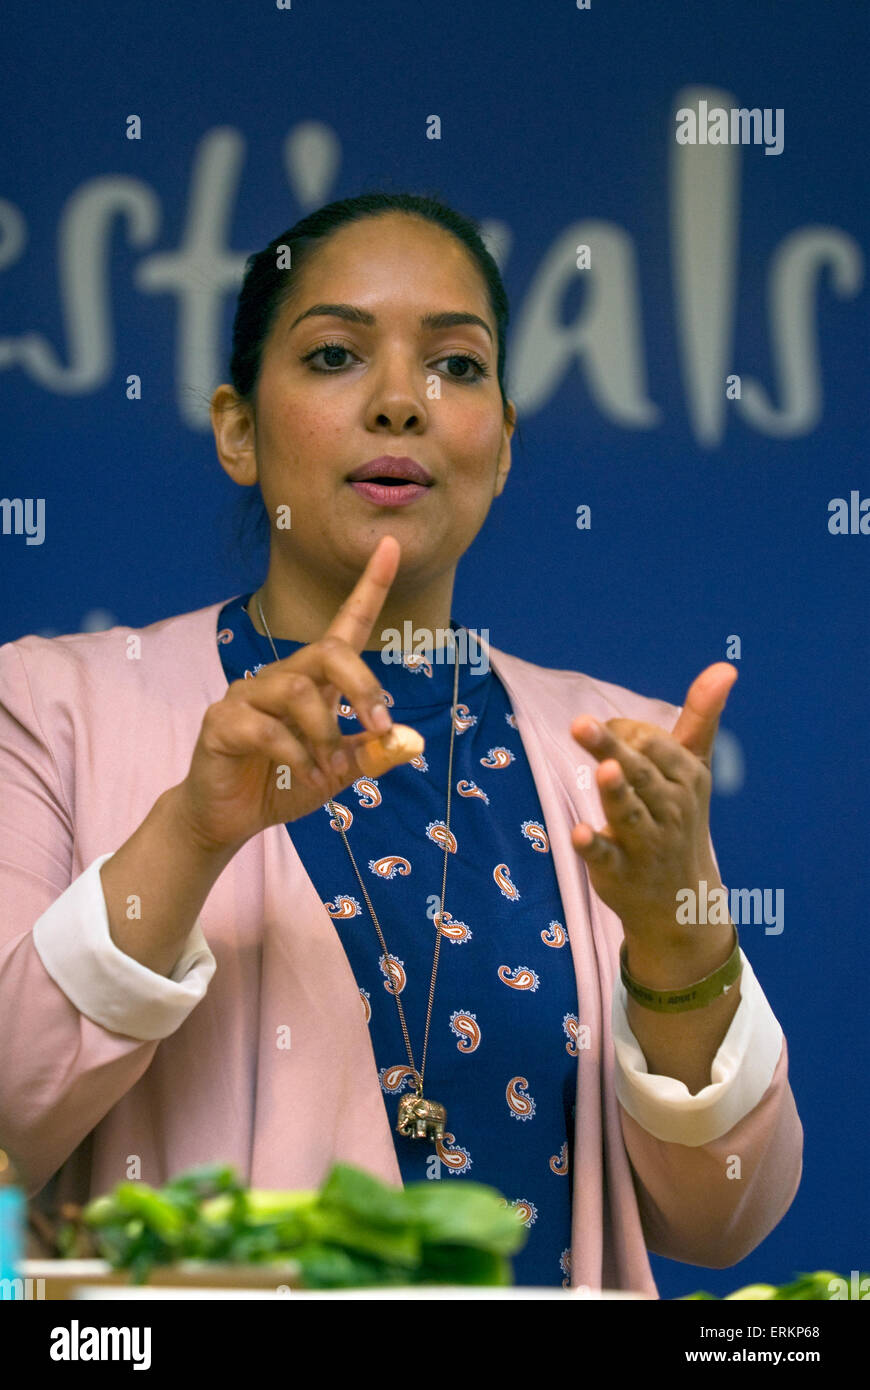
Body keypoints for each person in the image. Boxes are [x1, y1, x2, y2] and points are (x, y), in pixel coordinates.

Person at [0, 191, 802, 1294]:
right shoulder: (53, 705)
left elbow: (727, 1216)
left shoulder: (613, 752)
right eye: (334, 355)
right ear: (237, 428)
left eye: (457, 367)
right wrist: (191, 832)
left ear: (506, 443)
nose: (400, 403)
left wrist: (677, 936)